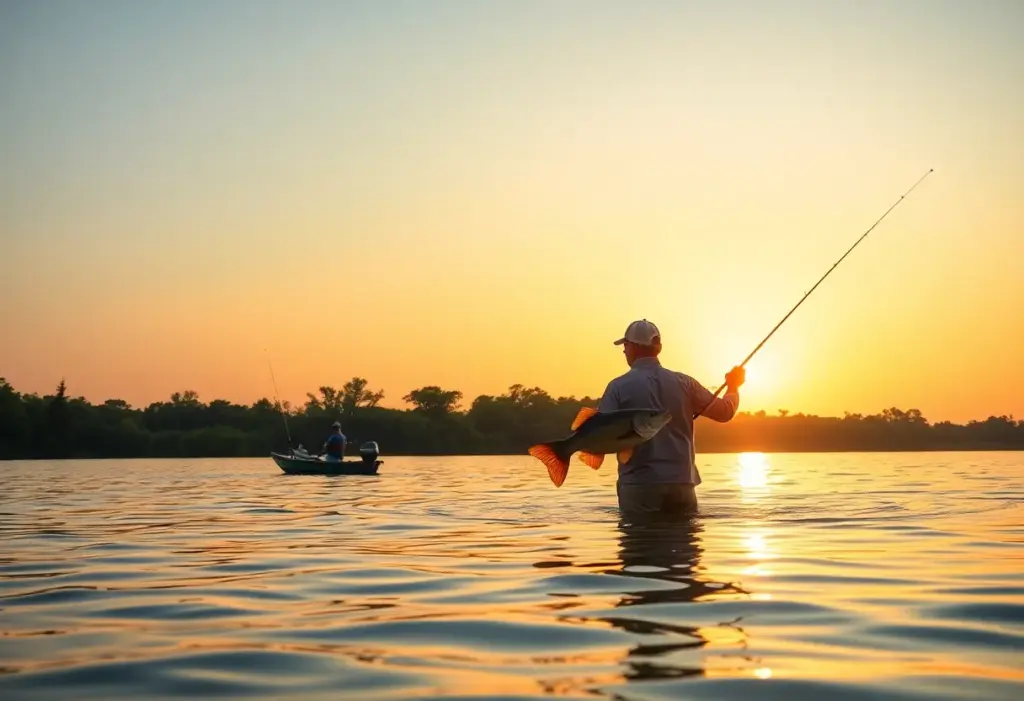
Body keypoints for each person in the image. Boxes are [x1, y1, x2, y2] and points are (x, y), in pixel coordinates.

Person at [597, 319, 745, 520]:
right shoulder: (685, 383)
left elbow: (599, 432)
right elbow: (725, 412)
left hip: (639, 487)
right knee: (682, 549)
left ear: (634, 347)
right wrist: (733, 386)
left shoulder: (617, 387)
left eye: (625, 345)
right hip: (682, 485)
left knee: (639, 549)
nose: (624, 351)